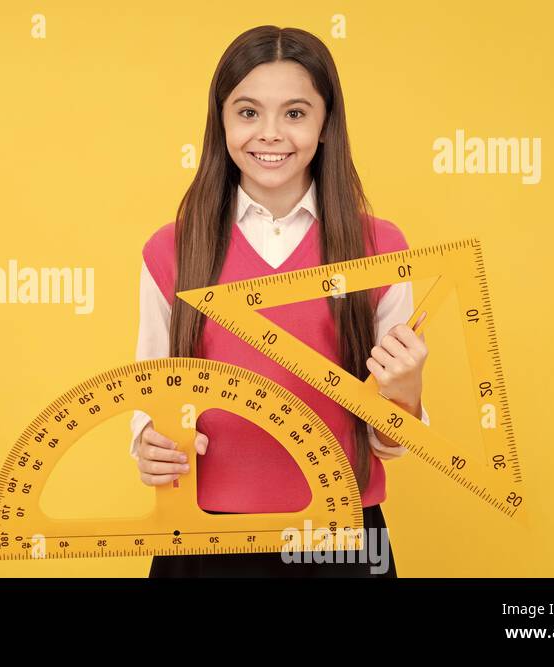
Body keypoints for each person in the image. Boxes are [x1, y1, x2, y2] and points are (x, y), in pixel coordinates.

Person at [129, 25, 430, 578]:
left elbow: (390, 440)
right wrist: (150, 444)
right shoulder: (169, 251)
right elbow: (151, 397)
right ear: (220, 122)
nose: (270, 134)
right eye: (247, 112)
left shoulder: (380, 249)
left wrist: (406, 391)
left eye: (295, 113)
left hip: (343, 538)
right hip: (203, 534)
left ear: (325, 124)